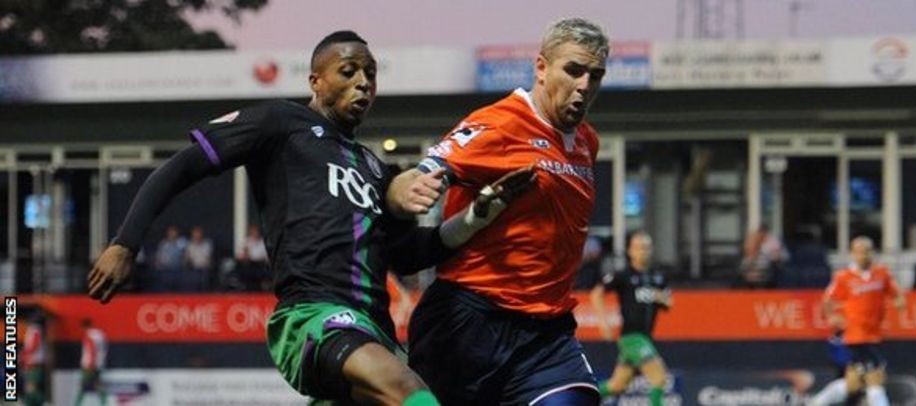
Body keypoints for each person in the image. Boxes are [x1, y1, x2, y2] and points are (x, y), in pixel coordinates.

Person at [86, 30, 533, 405]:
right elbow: (182, 165)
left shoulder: (378, 170)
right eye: (349, 71)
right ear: (316, 81)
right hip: (313, 317)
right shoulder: (282, 123)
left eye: (371, 75)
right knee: (408, 390)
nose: (363, 83)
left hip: (374, 329)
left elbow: (408, 255)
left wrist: (476, 216)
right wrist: (126, 241)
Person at [388, 17, 609, 405]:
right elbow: (430, 168)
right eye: (573, 71)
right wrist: (408, 188)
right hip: (469, 322)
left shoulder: (587, 142)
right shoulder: (499, 123)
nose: (584, 86)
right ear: (541, 67)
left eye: (596, 75)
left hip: (546, 334)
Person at [808, 236, 906, 406]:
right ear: (853, 254)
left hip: (874, 334)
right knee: (875, 378)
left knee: (853, 383)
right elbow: (827, 300)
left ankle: (816, 402)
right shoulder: (844, 277)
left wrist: (899, 301)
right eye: (860, 252)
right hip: (857, 336)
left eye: (867, 251)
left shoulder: (881, 274)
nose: (864, 255)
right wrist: (833, 317)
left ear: (873, 252)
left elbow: (896, 294)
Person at [590, 231, 672, 406]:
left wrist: (661, 298)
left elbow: (668, 303)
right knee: (659, 378)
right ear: (630, 251)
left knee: (616, 385)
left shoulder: (657, 277)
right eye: (639, 248)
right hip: (632, 337)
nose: (644, 251)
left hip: (646, 337)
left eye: (647, 247)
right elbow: (597, 294)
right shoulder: (624, 275)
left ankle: (578, 399)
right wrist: (603, 324)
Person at [76, 319, 108, 406]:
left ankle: (77, 404)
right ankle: (104, 403)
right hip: (100, 364)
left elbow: (92, 349)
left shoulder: (89, 335)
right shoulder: (100, 334)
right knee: (99, 385)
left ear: (84, 327)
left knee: (82, 387)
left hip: (89, 365)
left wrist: (91, 365)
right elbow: (103, 349)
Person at [237, 223, 270, 291]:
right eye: (253, 231)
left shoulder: (262, 242)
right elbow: (241, 255)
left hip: (260, 265)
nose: (255, 233)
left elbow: (265, 256)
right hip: (248, 265)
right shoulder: (247, 241)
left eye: (256, 231)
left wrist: (252, 256)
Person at [23, 313, 47, 406]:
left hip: (35, 363)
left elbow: (34, 345)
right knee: (31, 387)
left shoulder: (34, 330)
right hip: (33, 363)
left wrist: (24, 354)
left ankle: (42, 402)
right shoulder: (36, 330)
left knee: (32, 387)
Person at [152, 225, 186, 291]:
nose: (172, 234)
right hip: (165, 271)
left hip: (178, 270)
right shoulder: (163, 243)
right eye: (170, 232)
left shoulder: (182, 242)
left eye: (173, 232)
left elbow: (186, 254)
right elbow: (159, 257)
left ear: (177, 233)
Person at [183, 226, 213, 291]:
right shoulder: (189, 245)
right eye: (195, 234)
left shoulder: (207, 244)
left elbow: (207, 258)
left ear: (201, 234)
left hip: (204, 268)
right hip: (193, 269)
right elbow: (187, 258)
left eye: (198, 234)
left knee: (203, 276)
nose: (197, 236)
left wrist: (201, 265)